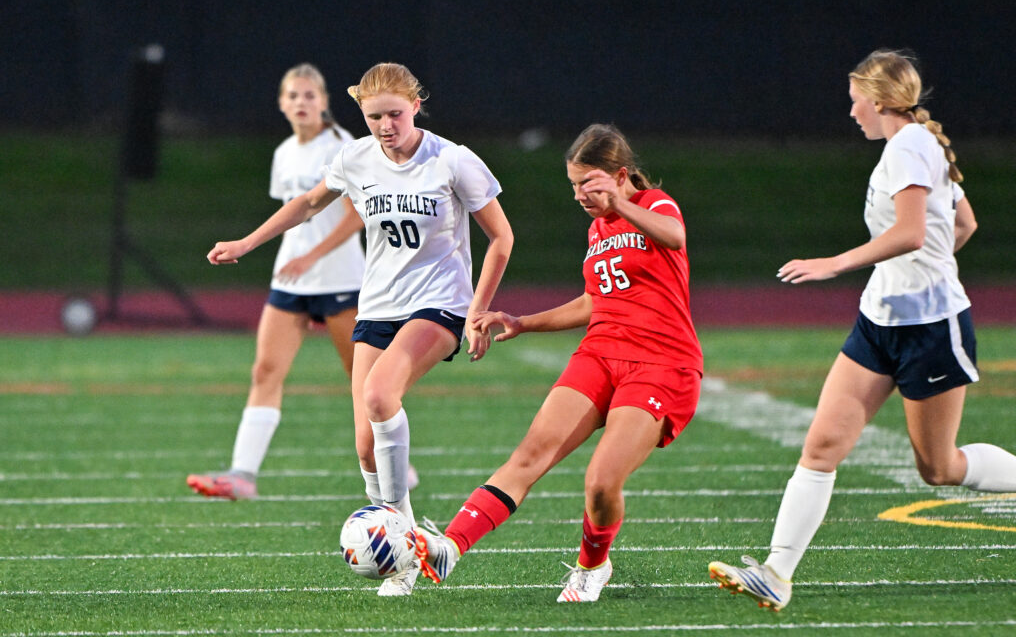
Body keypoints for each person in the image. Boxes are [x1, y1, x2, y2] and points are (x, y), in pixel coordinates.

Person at [708, 49, 1016, 612]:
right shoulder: (912, 146)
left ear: (880, 100)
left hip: (930, 330)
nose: (851, 110)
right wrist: (919, 271)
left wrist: (837, 264)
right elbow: (963, 223)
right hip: (878, 321)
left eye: (855, 98)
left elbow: (910, 233)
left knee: (939, 467)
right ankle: (776, 574)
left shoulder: (909, 146)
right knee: (822, 446)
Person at [205, 62, 514, 597]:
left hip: (439, 305)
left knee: (379, 394)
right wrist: (246, 243)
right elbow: (308, 203)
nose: (386, 126)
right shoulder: (356, 157)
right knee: (367, 448)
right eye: (374, 117)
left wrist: (476, 311)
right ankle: (409, 555)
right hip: (377, 308)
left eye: (395, 114)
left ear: (416, 106)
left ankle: (401, 544)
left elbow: (502, 239)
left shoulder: (452, 160)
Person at [415, 123, 704, 603]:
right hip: (600, 353)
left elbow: (675, 236)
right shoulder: (598, 227)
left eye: (588, 183)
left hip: (661, 363)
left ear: (620, 175)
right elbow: (593, 302)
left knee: (601, 482)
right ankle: (450, 546)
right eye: (574, 184)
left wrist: (621, 205)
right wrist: (523, 322)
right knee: (529, 456)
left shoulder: (654, 204)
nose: (579, 195)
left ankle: (593, 566)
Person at [187, 63, 367, 501]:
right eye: (293, 95)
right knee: (265, 370)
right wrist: (260, 248)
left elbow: (357, 216)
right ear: (282, 104)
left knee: (362, 379)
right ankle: (242, 476)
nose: (301, 102)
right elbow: (295, 211)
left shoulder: (342, 146)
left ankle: (393, 464)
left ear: (324, 102)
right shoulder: (284, 152)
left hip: (341, 279)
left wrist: (313, 256)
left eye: (310, 95)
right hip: (291, 279)